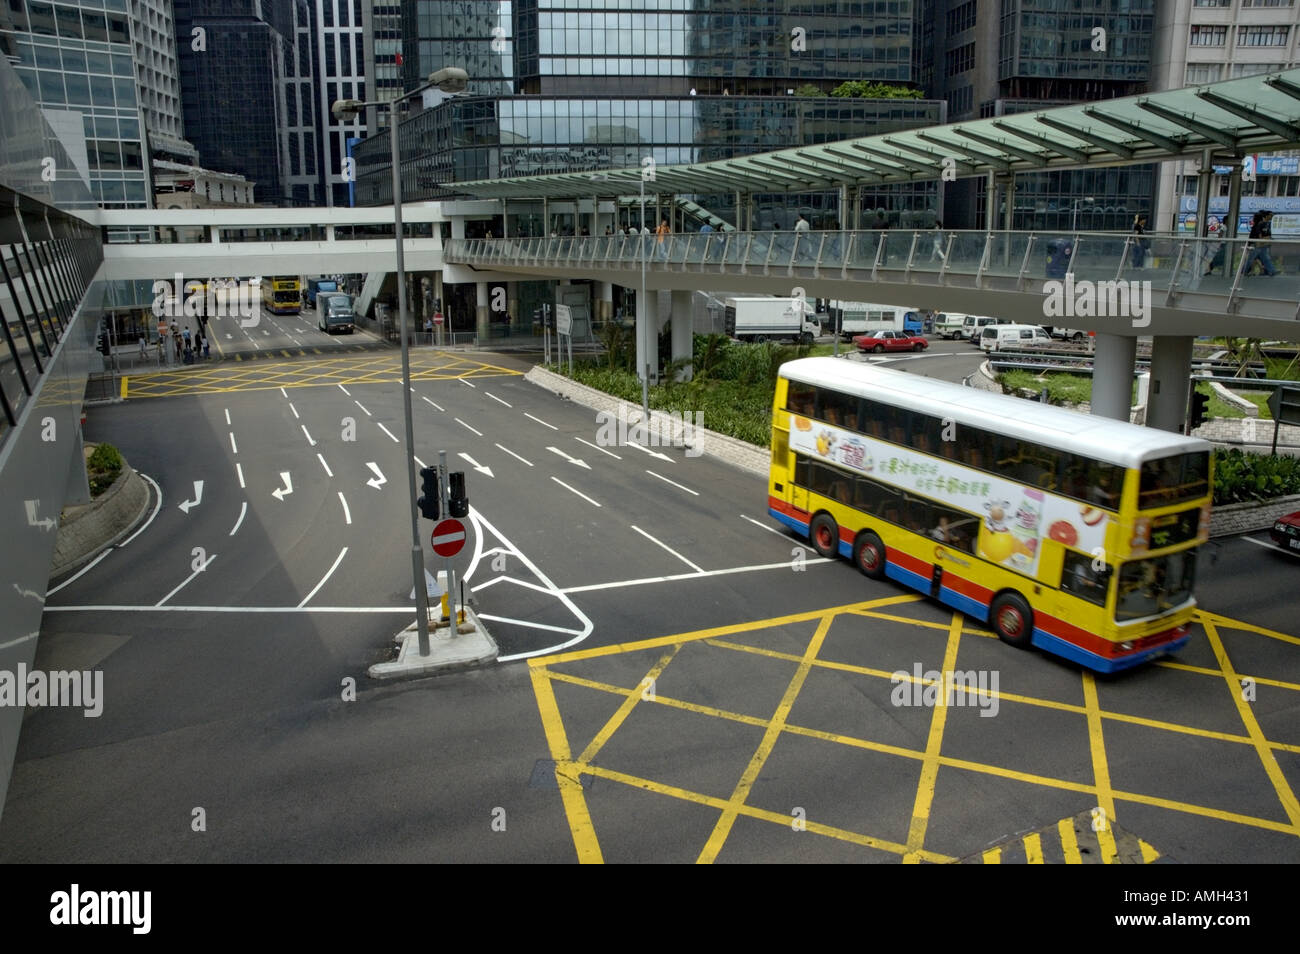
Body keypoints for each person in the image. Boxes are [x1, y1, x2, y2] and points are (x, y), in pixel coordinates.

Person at [1244, 210, 1277, 276]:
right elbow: (1259, 236)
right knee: (1252, 259)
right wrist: (1266, 238)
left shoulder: (1262, 225)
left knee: (1265, 258)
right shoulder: (1259, 225)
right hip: (1256, 244)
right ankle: (1243, 271)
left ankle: (1272, 271)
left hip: (1259, 244)